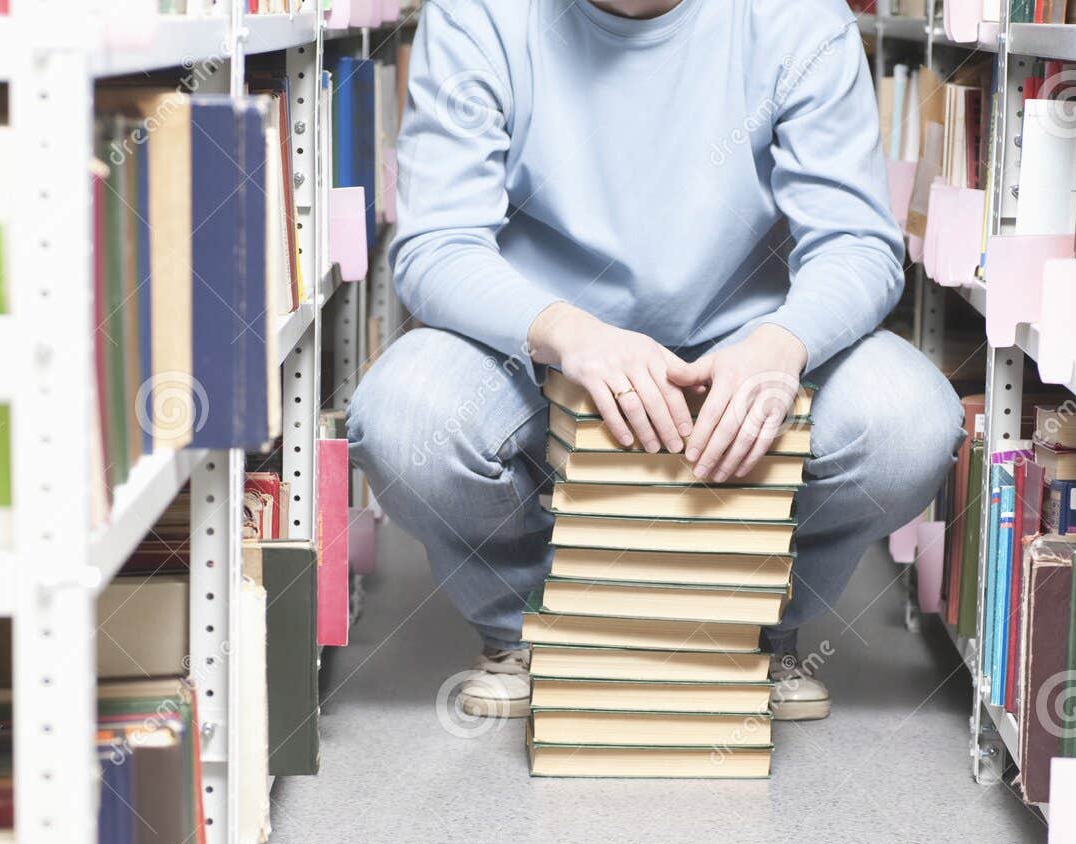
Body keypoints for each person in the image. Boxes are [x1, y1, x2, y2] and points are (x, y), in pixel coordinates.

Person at [349, 0, 964, 721]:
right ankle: (532, 628)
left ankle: (753, 626)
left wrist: (781, 343)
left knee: (909, 420)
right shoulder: (478, 14)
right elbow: (436, 246)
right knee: (402, 413)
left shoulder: (800, 17)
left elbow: (857, 243)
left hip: (746, 350)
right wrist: (568, 332)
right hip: (537, 350)